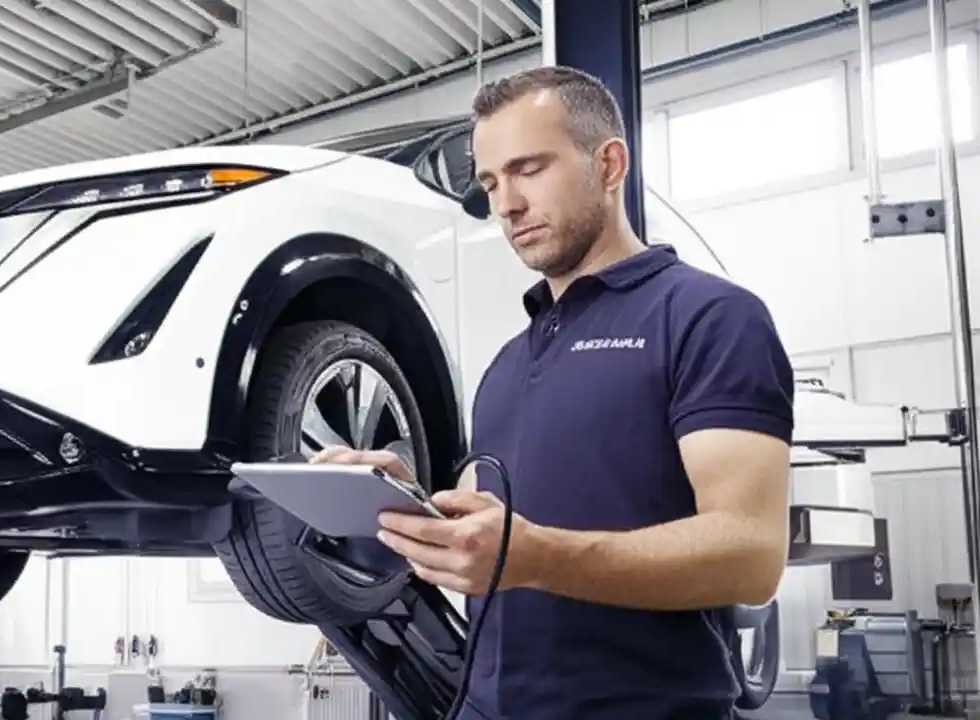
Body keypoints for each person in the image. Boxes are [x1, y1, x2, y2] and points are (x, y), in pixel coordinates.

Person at [310, 65, 794, 720]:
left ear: (610, 163)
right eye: (489, 183)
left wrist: (536, 557)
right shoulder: (508, 364)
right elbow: (498, 545)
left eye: (528, 169)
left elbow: (750, 555)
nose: (505, 204)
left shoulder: (707, 317)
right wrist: (404, 507)